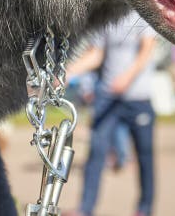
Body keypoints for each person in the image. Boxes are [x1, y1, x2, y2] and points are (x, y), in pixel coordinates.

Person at [65, 11, 158, 216]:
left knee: (144, 157)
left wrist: (127, 77)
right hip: (108, 97)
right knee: (96, 153)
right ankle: (85, 209)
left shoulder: (142, 15)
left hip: (138, 99)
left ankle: (144, 209)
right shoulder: (108, 16)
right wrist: (67, 72)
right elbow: (96, 55)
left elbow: (147, 50)